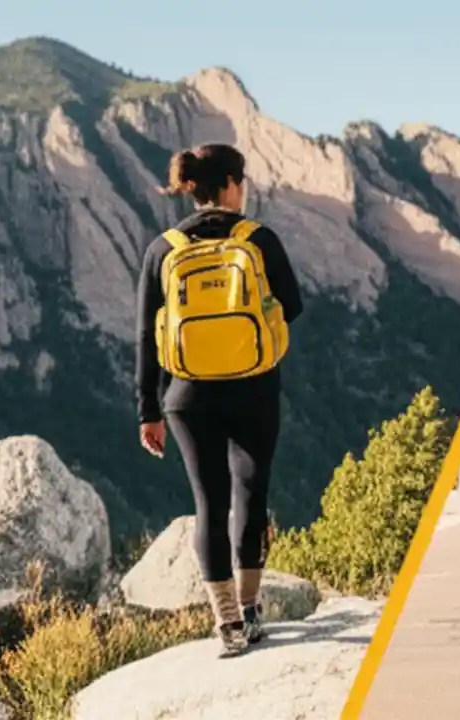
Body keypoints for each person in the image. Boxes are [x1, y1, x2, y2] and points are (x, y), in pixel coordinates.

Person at [134, 142, 304, 658]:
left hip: (186, 396)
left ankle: (226, 624)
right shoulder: (259, 239)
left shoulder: (163, 249)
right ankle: (252, 612)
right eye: (242, 181)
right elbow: (293, 307)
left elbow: (145, 334)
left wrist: (147, 409)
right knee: (250, 495)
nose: (243, 189)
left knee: (208, 501)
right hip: (254, 386)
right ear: (230, 184)